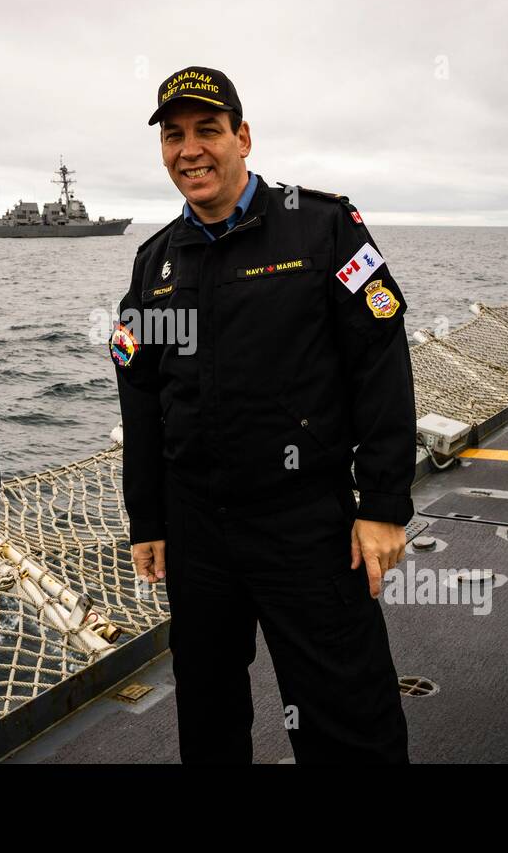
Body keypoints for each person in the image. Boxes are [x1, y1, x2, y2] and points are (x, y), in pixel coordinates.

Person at [110, 67, 414, 763]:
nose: (190, 150)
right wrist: (148, 520)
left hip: (304, 520)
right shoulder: (156, 261)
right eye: (174, 136)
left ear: (242, 137)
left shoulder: (322, 226)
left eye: (207, 131)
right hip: (196, 528)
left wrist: (386, 503)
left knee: (346, 709)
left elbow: (380, 361)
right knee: (208, 707)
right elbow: (142, 394)